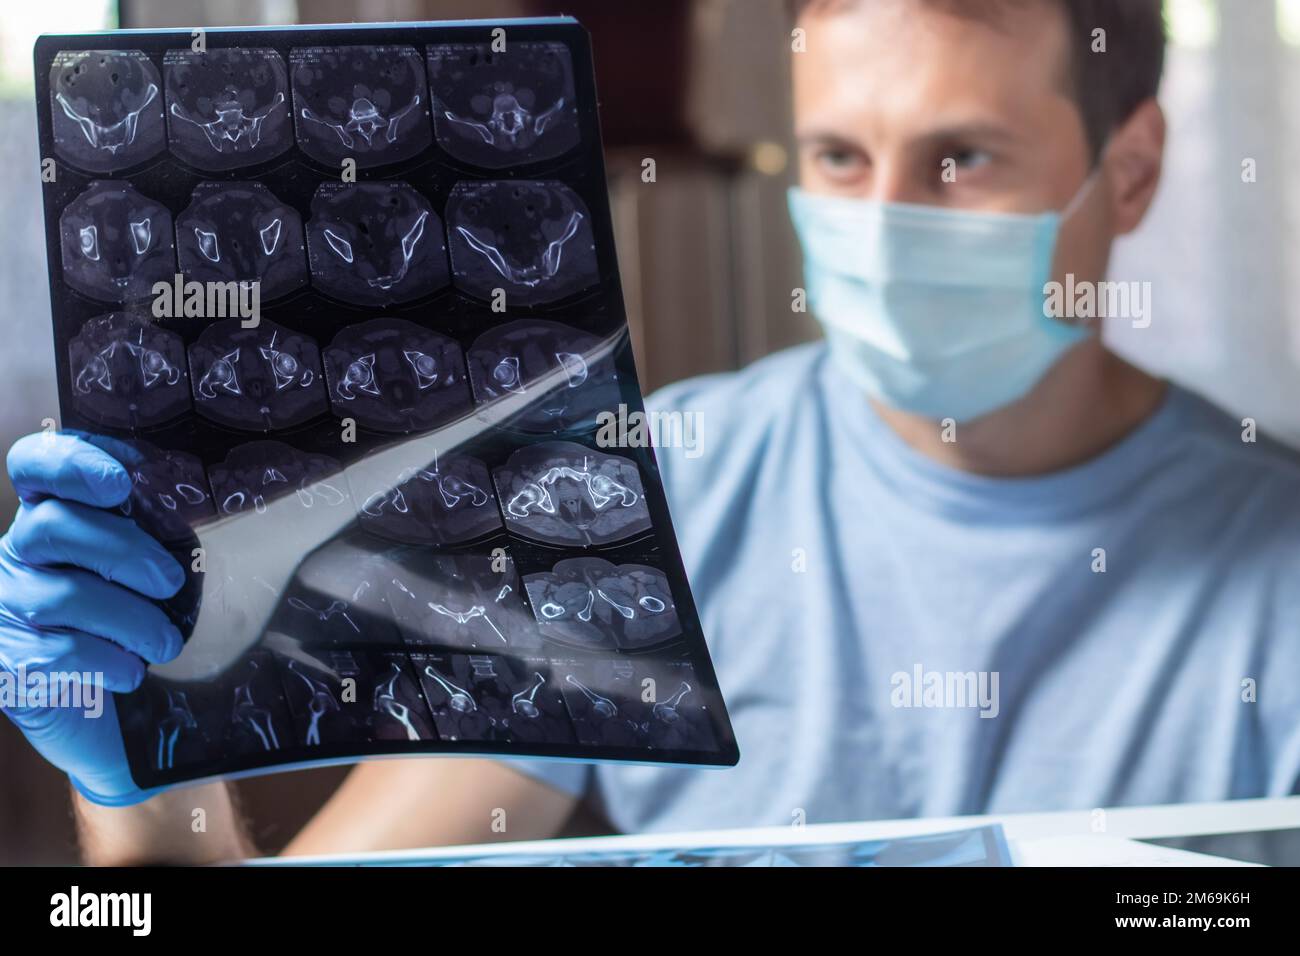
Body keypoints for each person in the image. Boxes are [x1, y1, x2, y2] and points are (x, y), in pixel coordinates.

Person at [4, 0, 1299, 864]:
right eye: (841, 159)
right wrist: (147, 772)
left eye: (961, 160)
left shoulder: (1276, 570)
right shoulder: (636, 492)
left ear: (1129, 171)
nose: (884, 219)